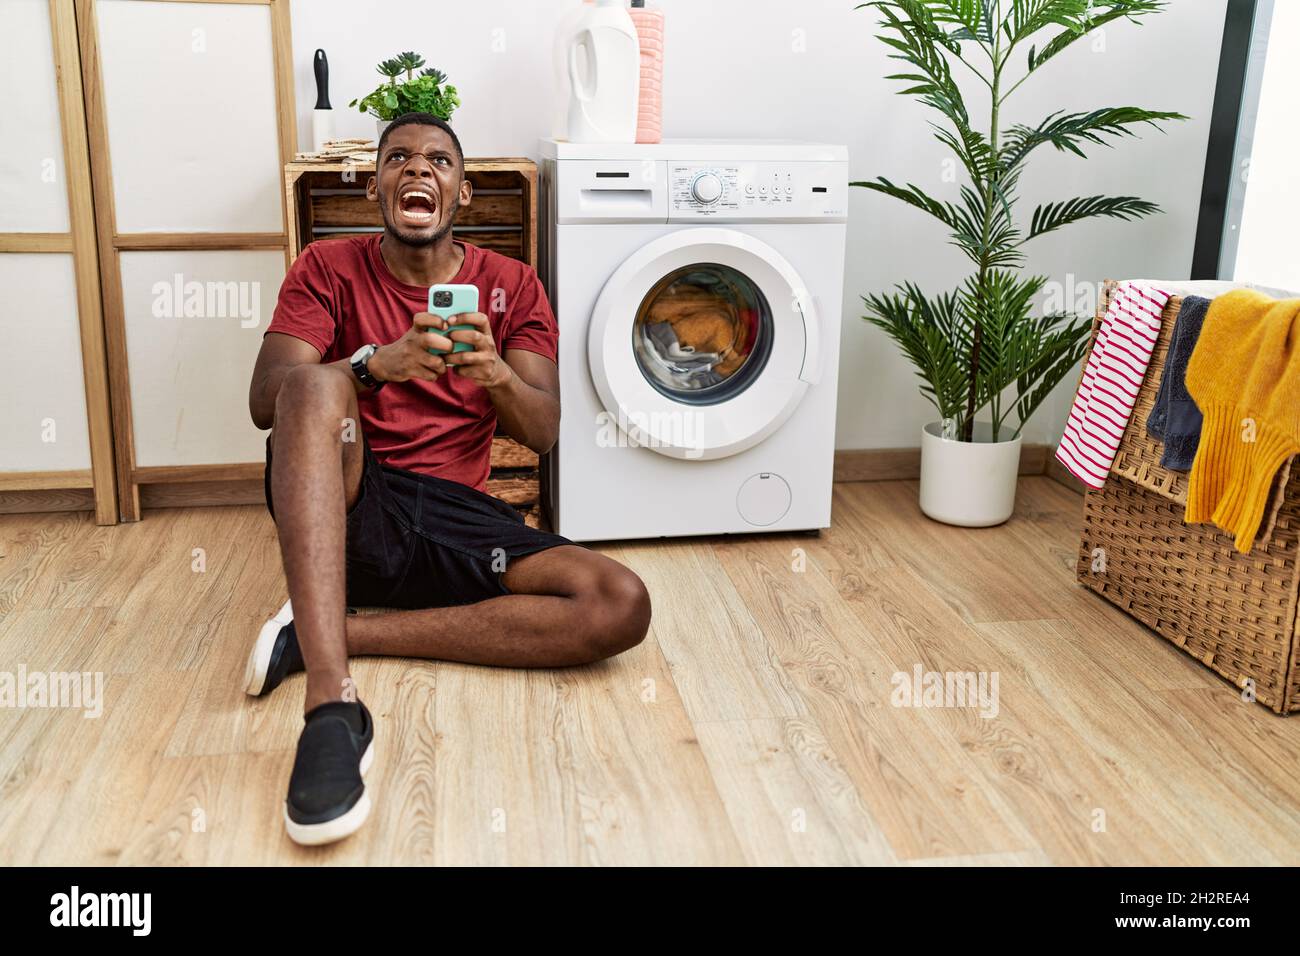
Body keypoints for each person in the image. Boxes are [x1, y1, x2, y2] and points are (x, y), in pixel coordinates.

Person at [246, 112, 652, 845]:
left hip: (460, 519)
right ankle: (332, 706)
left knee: (619, 602)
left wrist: (495, 375)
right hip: (358, 505)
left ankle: (328, 632)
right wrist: (374, 365)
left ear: (460, 193)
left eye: (438, 160)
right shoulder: (326, 269)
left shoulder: (513, 285)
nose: (417, 169)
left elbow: (545, 430)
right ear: (376, 187)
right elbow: (264, 401)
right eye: (398, 158)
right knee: (309, 390)